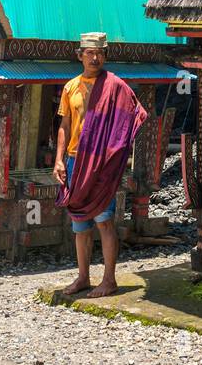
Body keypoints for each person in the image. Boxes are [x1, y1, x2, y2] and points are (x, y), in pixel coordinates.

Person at [54, 32, 146, 297]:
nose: (95, 58)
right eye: (90, 53)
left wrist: (117, 152)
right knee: (79, 223)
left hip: (102, 165)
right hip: (74, 162)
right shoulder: (70, 87)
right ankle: (83, 277)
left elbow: (133, 115)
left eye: (100, 53)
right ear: (80, 55)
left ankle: (109, 280)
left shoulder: (114, 86)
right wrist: (59, 160)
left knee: (104, 221)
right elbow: (65, 125)